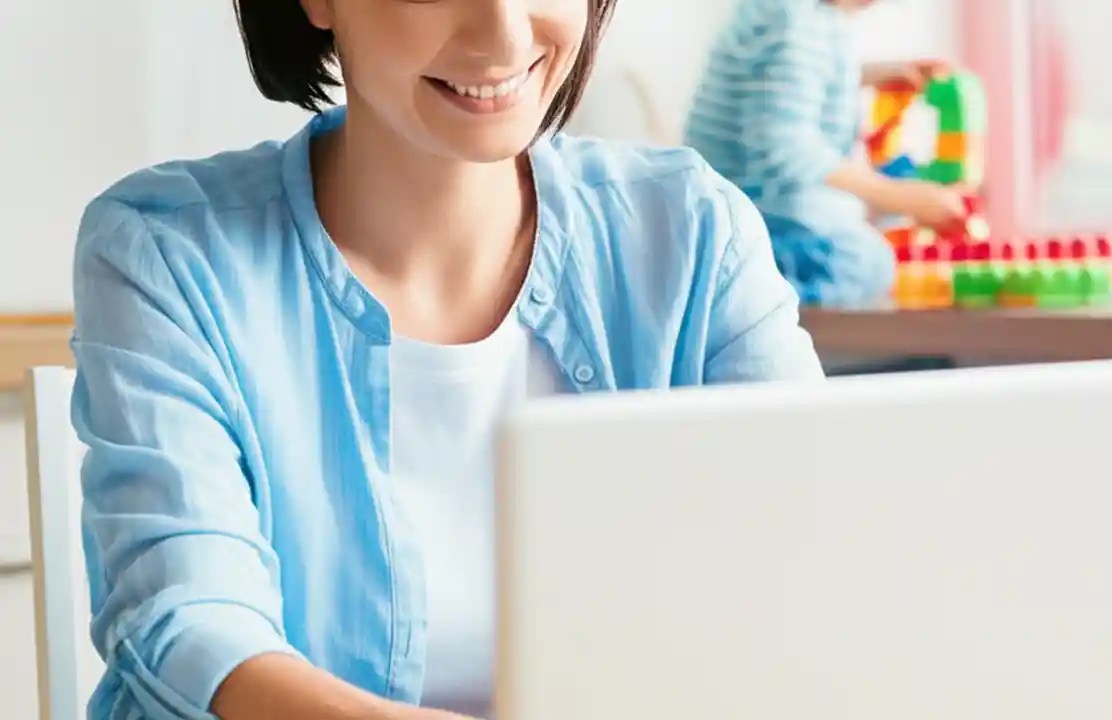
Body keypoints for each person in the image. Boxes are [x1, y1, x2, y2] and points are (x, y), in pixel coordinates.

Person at [70, 2, 824, 718]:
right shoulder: (167, 252)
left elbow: (821, 552)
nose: (501, 34)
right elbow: (190, 619)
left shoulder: (693, 233)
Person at [685, 0, 973, 306]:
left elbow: (786, 82)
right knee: (869, 261)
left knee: (892, 192)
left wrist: (873, 75)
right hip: (755, 215)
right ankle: (749, 299)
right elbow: (788, 147)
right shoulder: (791, 21)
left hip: (772, 208)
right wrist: (897, 196)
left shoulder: (811, 17)